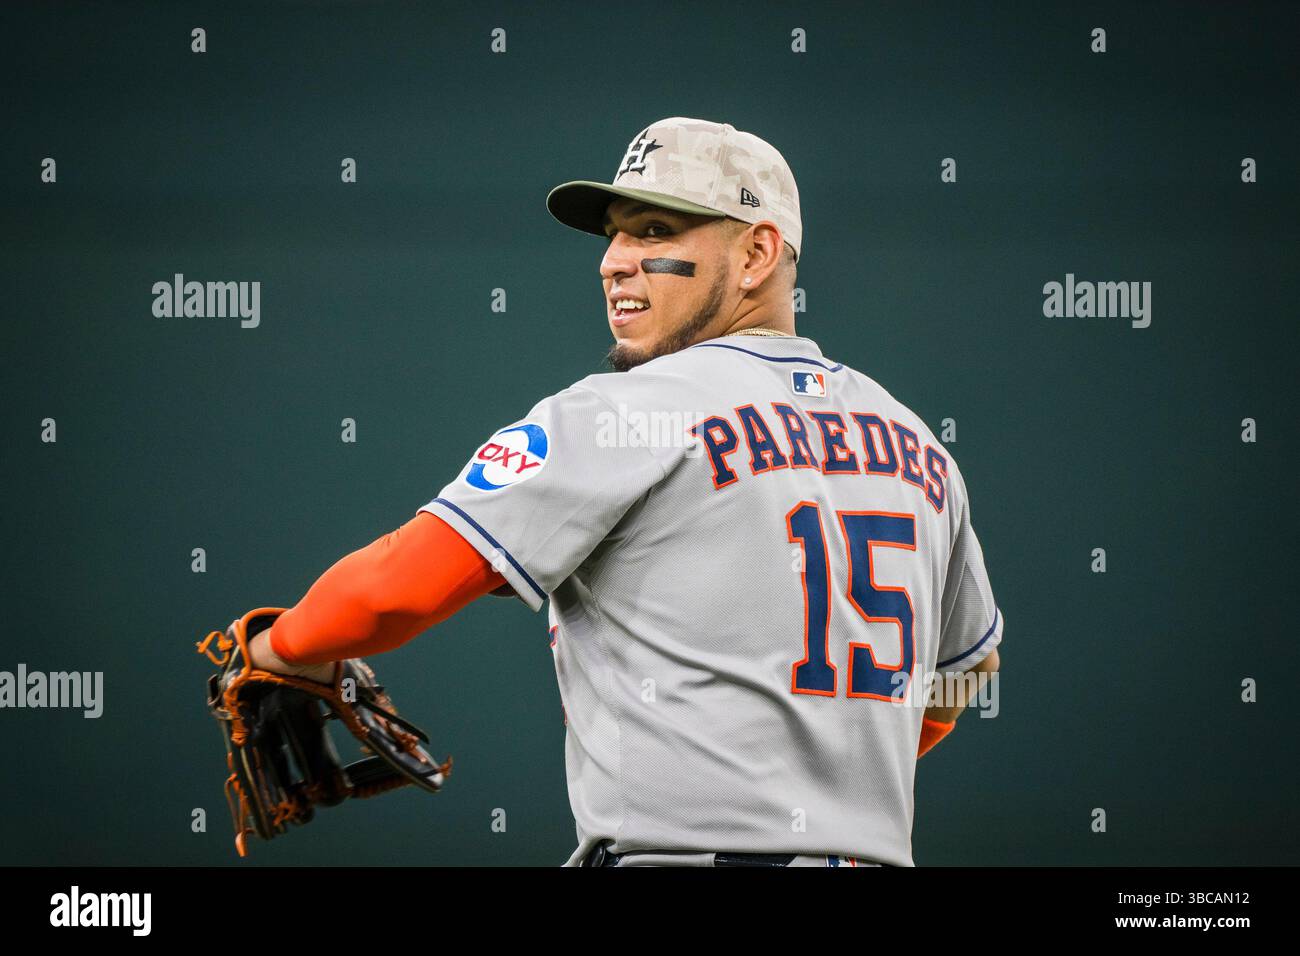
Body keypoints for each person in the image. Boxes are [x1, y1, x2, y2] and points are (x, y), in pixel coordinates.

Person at [249, 117, 1003, 867]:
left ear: (757, 253)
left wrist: (280, 648)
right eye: (612, 235)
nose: (614, 261)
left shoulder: (630, 410)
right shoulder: (916, 444)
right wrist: (843, 769)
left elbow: (394, 590)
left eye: (653, 232)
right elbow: (970, 669)